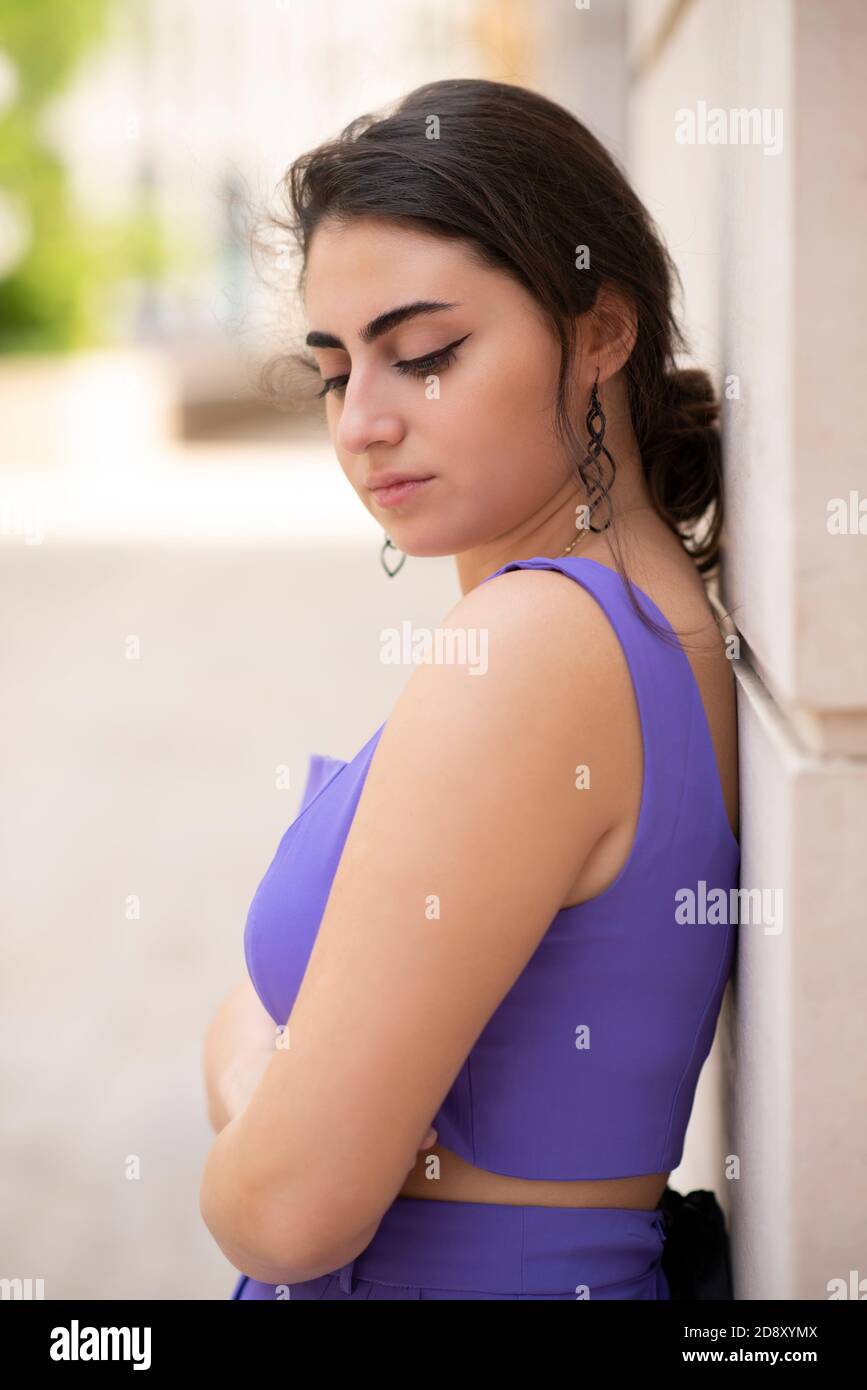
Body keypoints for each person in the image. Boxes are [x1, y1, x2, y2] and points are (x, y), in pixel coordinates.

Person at [200, 77, 740, 1301]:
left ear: (602, 331)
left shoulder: (534, 646)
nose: (363, 424)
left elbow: (285, 1212)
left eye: (427, 354)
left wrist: (247, 1082)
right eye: (337, 371)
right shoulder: (643, 614)